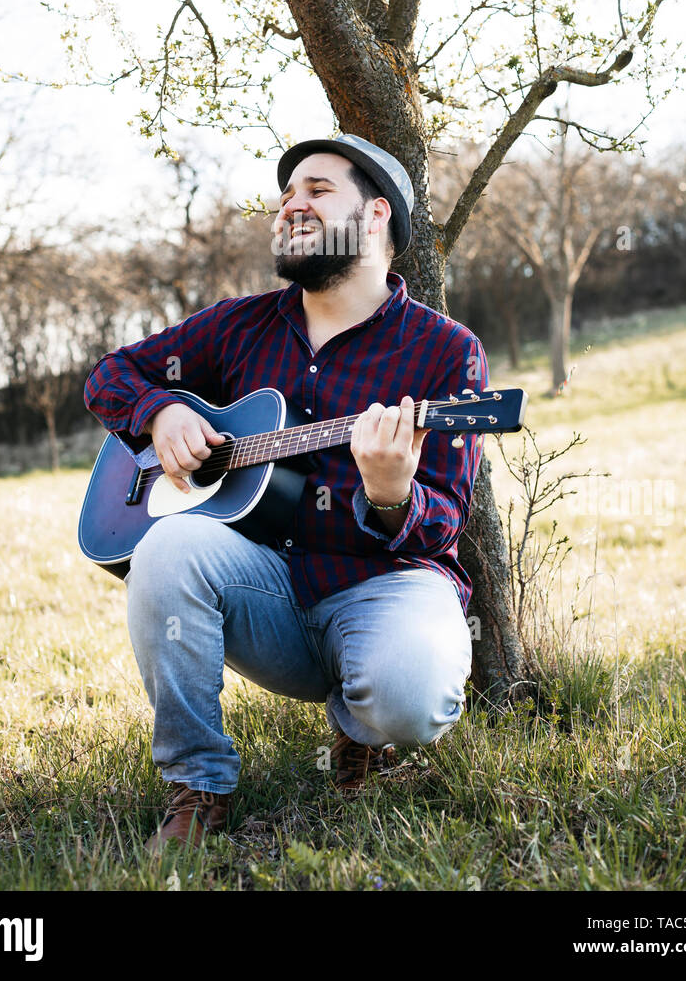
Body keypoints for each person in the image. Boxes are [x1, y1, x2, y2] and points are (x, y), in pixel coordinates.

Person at [83, 134, 489, 851]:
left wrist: (392, 492)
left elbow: (445, 523)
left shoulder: (444, 350)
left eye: (317, 190)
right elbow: (110, 375)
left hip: (384, 586)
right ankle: (198, 785)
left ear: (375, 218)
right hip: (265, 591)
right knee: (169, 543)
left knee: (413, 699)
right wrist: (163, 413)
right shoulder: (238, 326)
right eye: (286, 195)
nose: (291, 205)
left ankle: (361, 729)